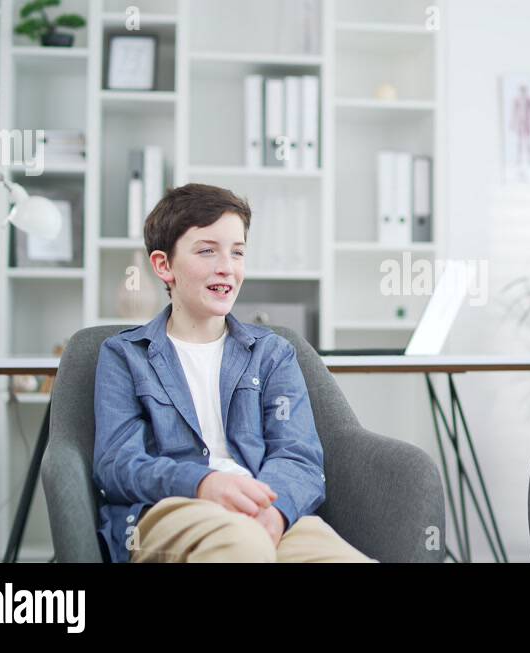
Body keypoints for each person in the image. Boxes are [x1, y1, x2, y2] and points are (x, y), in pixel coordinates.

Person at [93, 183, 375, 563]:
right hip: (171, 508)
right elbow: (117, 465)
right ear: (164, 265)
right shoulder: (125, 356)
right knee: (242, 547)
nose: (226, 266)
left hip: (267, 507)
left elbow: (299, 455)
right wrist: (203, 482)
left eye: (237, 252)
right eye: (207, 250)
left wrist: (275, 512)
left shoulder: (272, 353)